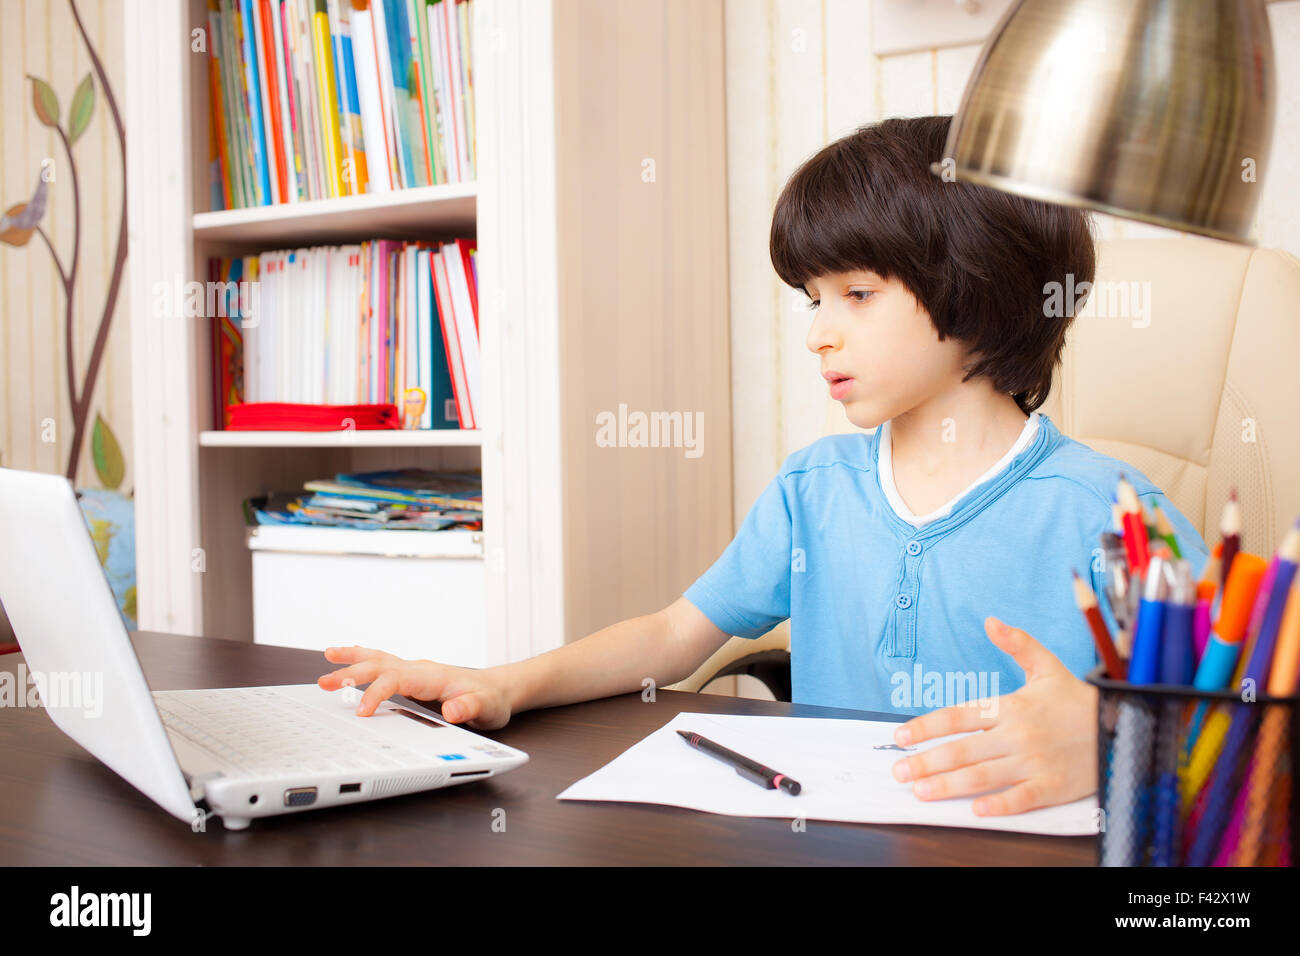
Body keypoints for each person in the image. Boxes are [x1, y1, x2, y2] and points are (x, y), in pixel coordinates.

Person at [318, 115, 1208, 816]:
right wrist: (503, 683)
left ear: (979, 286)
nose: (819, 332)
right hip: (827, 829)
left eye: (857, 295)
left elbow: (1240, 706)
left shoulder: (1111, 509)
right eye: (814, 300)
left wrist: (1107, 734)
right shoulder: (813, 488)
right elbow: (674, 635)